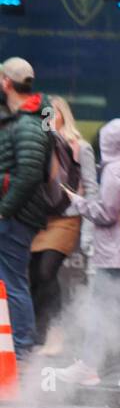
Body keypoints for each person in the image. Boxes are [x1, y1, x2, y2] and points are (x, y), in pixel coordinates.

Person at [53, 119, 120, 389]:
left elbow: (105, 213)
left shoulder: (114, 170)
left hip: (116, 251)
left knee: (100, 307)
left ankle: (92, 367)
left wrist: (77, 201)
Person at [29, 95, 97, 357]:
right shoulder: (37, 143)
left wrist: (89, 228)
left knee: (47, 271)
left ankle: (56, 333)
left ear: (63, 115)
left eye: (51, 113)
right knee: (33, 275)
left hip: (67, 218)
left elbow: (92, 188)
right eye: (42, 113)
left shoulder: (79, 146)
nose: (46, 118)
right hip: (38, 218)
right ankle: (38, 332)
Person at [0, 56, 50, 360]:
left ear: (7, 82)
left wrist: (5, 209)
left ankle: (22, 349)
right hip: (15, 214)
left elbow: (30, 173)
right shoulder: (25, 119)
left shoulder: (27, 123)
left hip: (15, 217)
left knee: (14, 281)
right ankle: (18, 346)